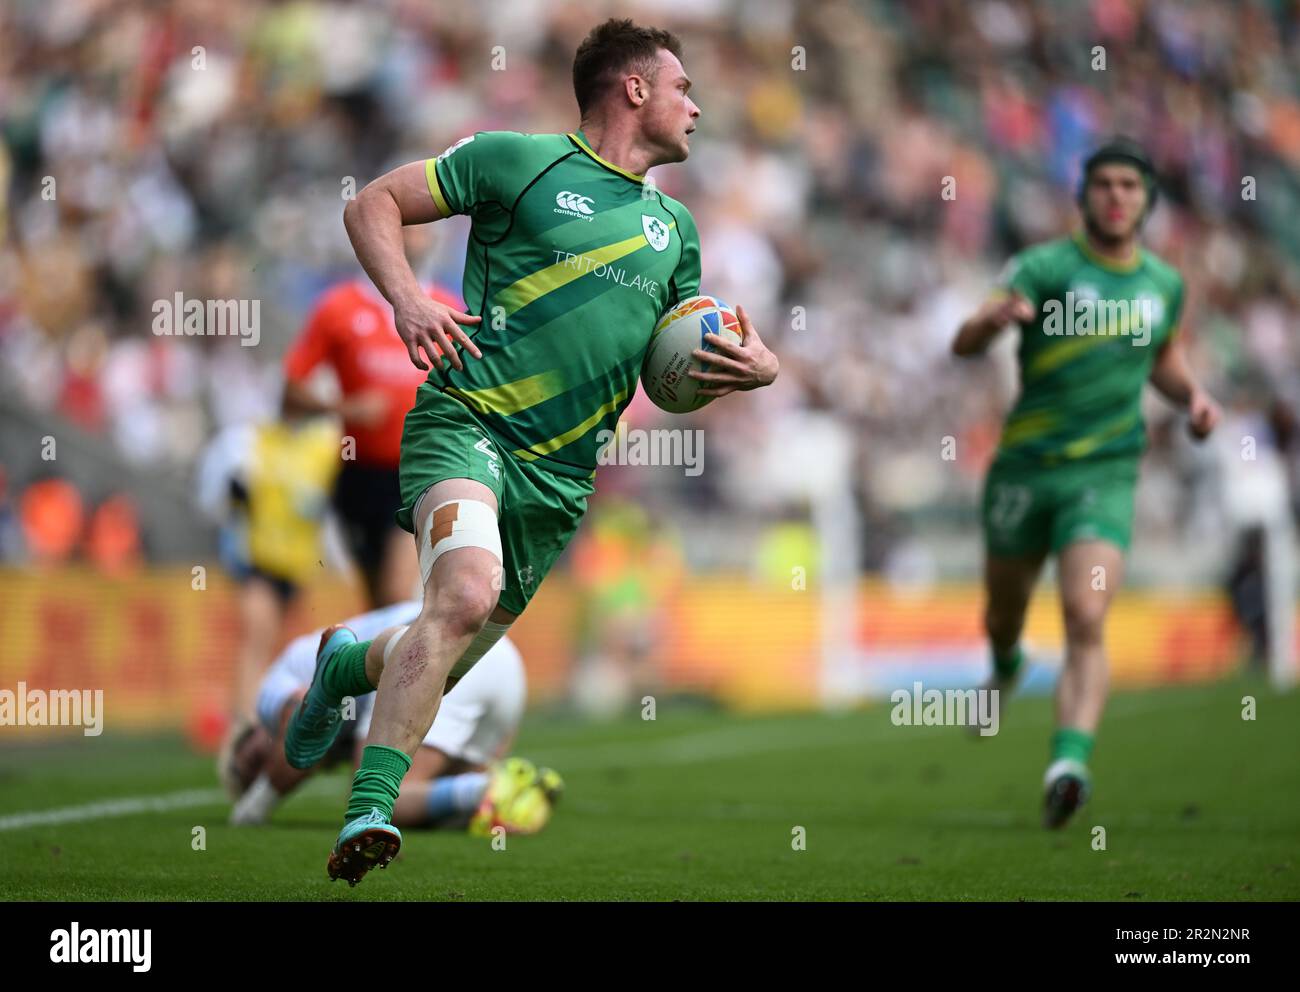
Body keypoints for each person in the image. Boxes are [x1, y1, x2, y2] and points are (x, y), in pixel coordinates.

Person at [285, 17, 779, 885]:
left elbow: (681, 368)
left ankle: (338, 668)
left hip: (560, 480)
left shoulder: (676, 232)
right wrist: (407, 301)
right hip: (467, 421)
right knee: (463, 599)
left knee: (446, 641)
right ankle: (369, 807)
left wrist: (754, 368)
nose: (696, 107)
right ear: (634, 89)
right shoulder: (517, 160)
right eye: (683, 88)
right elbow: (372, 203)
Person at [952, 137, 1221, 828]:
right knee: (1003, 611)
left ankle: (1067, 762)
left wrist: (1191, 397)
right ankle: (1007, 662)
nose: (1115, 195)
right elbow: (966, 342)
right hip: (1025, 468)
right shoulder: (1042, 266)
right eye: (1102, 183)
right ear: (1083, 196)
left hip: (1104, 472)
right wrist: (987, 322)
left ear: (1147, 199)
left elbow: (1160, 355)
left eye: (1130, 185)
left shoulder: (1163, 283)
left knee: (1087, 612)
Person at [227, 600, 560, 837]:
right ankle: (505, 792)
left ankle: (482, 789)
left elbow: (305, 729)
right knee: (441, 807)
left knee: (378, 800)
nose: (262, 767)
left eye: (252, 761)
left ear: (253, 735)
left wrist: (255, 806)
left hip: (433, 657)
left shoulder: (271, 690)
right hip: (498, 657)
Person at [283, 274, 462, 608]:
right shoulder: (338, 308)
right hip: (359, 475)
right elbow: (290, 394)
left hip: (420, 473)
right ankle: (385, 659)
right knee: (377, 602)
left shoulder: (448, 306)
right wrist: (345, 407)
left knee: (396, 591)